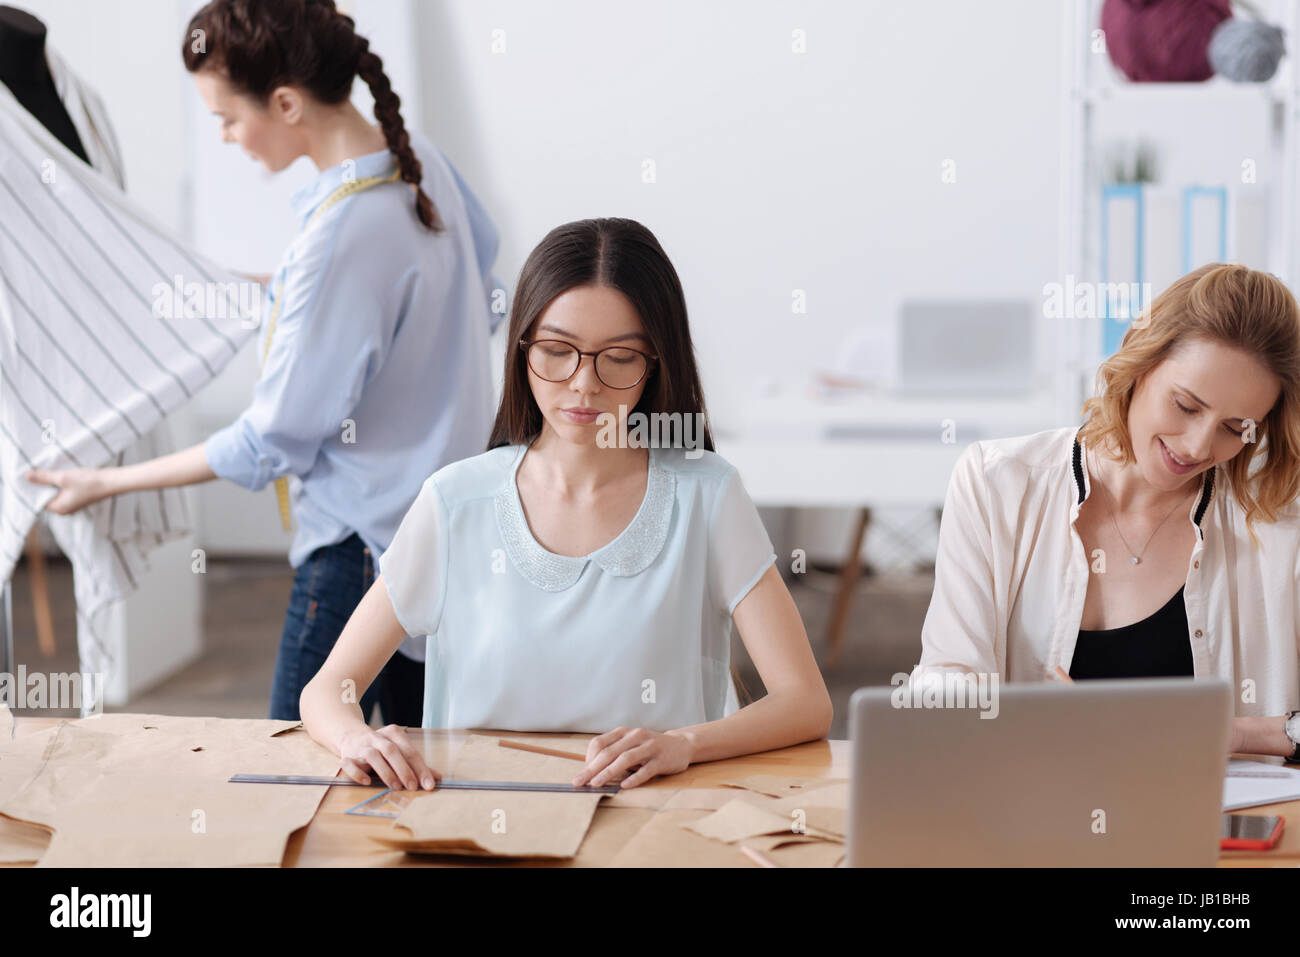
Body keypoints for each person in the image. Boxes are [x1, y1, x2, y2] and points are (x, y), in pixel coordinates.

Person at [24, 0, 502, 726]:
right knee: (419, 761)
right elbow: (473, 280)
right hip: (441, 530)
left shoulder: (342, 234)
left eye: (227, 118)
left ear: (285, 102)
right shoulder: (419, 162)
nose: (225, 138)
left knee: (292, 761)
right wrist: (254, 292)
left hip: (358, 552)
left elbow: (270, 439)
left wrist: (102, 481)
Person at [299, 217, 833, 791]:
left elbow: (805, 702)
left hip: (654, 824)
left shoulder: (708, 494)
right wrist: (358, 738)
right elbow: (329, 690)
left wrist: (685, 743)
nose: (583, 384)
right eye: (557, 351)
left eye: (620, 358)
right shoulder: (455, 502)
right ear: (522, 346)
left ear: (657, 362)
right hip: (478, 826)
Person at [915, 262, 1300, 761]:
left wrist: (1240, 734)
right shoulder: (998, 482)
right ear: (1138, 364)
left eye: (1235, 427)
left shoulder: (1280, 523)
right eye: (1185, 406)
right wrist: (1025, 717)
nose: (1199, 446)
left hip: (1214, 835)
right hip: (1029, 821)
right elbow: (940, 686)